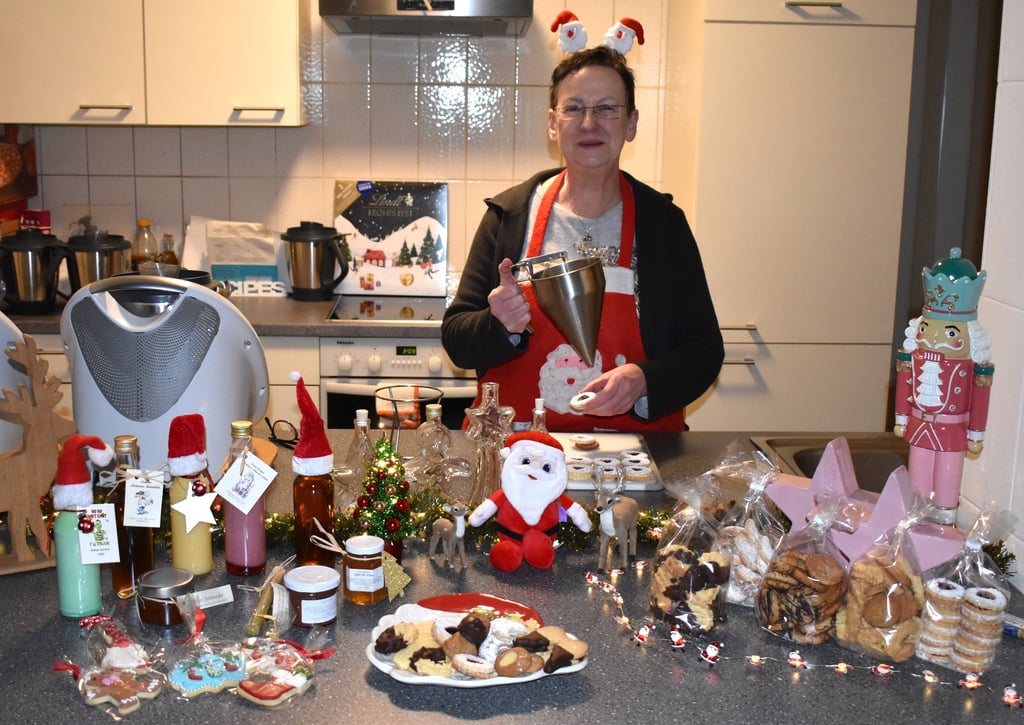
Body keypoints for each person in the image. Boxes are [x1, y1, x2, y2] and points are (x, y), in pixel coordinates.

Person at [442, 46, 723, 432]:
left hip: (633, 461)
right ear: (553, 123)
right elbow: (457, 339)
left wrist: (644, 380)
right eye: (574, 108)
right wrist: (497, 325)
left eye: (607, 108)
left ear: (631, 123)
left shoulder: (663, 225)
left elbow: (705, 350)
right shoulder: (509, 218)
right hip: (519, 456)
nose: (589, 123)